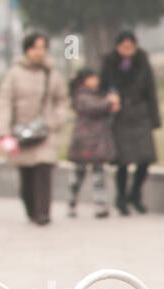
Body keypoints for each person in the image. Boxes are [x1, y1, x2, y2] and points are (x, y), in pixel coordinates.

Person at [0, 32, 68, 226]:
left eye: (42, 47)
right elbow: (5, 103)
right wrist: (3, 132)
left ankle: (43, 213)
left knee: (44, 170)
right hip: (21, 132)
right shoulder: (14, 75)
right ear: (27, 50)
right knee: (27, 177)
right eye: (35, 47)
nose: (39, 52)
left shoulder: (52, 74)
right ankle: (31, 209)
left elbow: (62, 100)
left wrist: (57, 119)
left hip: (46, 130)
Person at [99, 30, 160, 215]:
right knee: (123, 162)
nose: (127, 50)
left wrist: (154, 118)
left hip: (140, 114)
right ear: (117, 47)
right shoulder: (109, 63)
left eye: (130, 46)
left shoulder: (142, 62)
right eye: (124, 46)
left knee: (145, 159)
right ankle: (121, 199)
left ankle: (135, 194)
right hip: (120, 116)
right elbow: (102, 87)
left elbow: (151, 91)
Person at [67, 68, 119, 218]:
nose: (96, 81)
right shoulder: (81, 95)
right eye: (93, 78)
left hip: (98, 140)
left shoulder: (97, 94)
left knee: (98, 174)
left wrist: (111, 104)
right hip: (84, 141)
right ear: (85, 80)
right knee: (78, 174)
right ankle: (71, 203)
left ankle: (100, 205)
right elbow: (93, 107)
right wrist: (109, 102)